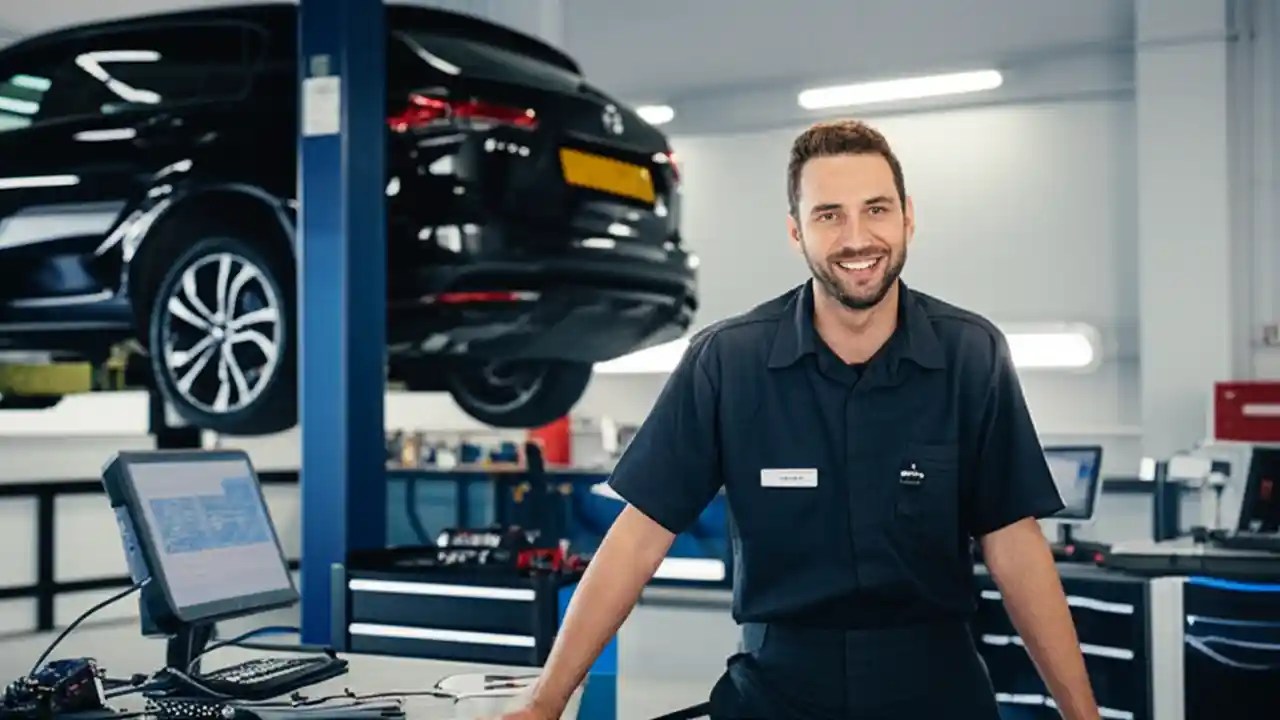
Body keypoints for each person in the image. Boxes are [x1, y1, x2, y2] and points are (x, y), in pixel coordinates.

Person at [502, 119, 1101, 720]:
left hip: (938, 687)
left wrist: (1083, 716)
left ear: (908, 217)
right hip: (778, 690)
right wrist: (544, 703)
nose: (857, 237)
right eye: (829, 215)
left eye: (876, 209)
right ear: (796, 232)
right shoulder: (727, 363)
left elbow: (1014, 545)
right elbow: (636, 541)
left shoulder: (971, 354)